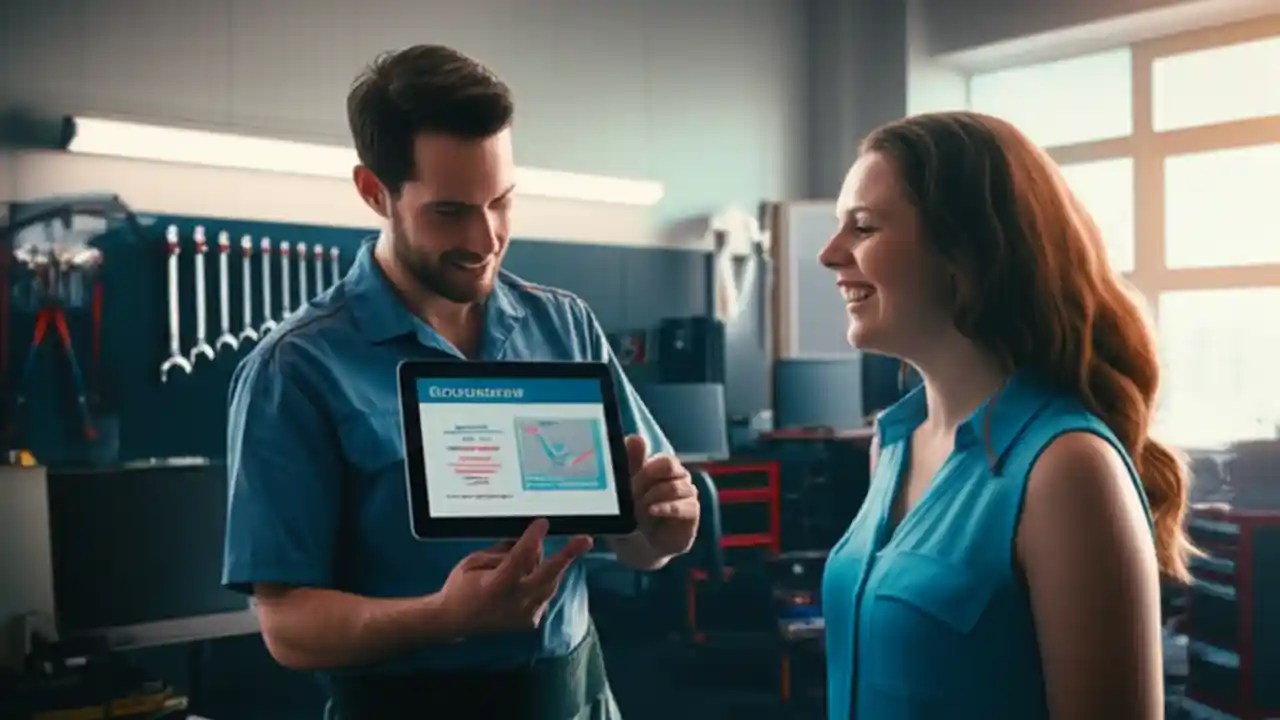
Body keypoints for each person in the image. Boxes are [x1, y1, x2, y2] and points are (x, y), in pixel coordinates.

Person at [221, 44, 699, 720]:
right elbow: (288, 626)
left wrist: (666, 529)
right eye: (450, 212)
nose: (487, 237)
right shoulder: (296, 370)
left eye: (501, 201)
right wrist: (442, 616)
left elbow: (639, 540)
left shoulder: (563, 327)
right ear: (373, 192)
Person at [818, 111, 1193, 720]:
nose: (830, 255)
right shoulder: (891, 446)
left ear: (964, 249)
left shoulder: (1067, 468)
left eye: (863, 227)